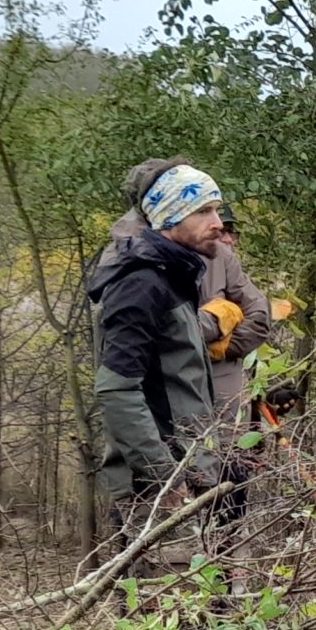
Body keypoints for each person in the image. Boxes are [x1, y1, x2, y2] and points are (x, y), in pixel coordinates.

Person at [88, 163, 226, 536]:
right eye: (202, 212)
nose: (218, 222)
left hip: (183, 476)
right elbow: (116, 389)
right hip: (157, 492)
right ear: (168, 217)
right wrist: (165, 477)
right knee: (167, 592)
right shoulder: (141, 285)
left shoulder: (170, 274)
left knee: (192, 591)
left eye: (217, 209)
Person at [105, 158, 271, 418]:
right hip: (170, 421)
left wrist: (223, 348)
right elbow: (122, 385)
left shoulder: (219, 256)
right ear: (169, 214)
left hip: (220, 405)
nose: (220, 230)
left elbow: (260, 315)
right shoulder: (135, 271)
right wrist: (216, 321)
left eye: (220, 216)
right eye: (203, 211)